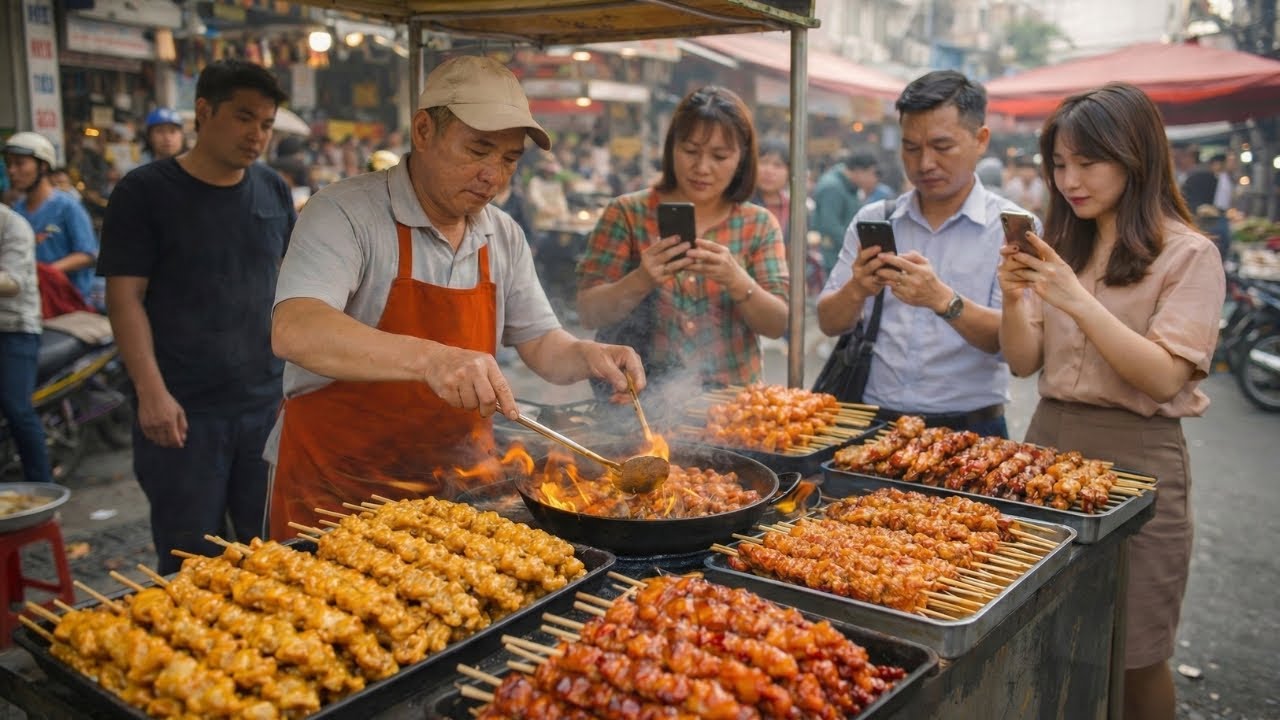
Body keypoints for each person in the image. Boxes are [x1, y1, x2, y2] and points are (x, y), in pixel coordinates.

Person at [265, 54, 642, 539]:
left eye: (509, 159)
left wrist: (589, 354)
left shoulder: (502, 234)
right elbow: (296, 328)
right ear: (424, 131)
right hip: (335, 494)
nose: (494, 175)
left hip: (456, 497)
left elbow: (543, 345)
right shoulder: (344, 213)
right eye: (478, 150)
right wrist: (432, 359)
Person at [998, 82, 1225, 720]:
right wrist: (1015, 298)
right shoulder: (1067, 246)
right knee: (1045, 630)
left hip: (1139, 458)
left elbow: (1161, 377)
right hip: (1045, 448)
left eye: (1087, 162)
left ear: (1136, 158)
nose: (1070, 179)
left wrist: (1074, 297)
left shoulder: (1189, 254)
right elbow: (1022, 361)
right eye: (1059, 164)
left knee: (1137, 649)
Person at [97, 60, 294, 573]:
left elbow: (290, 289)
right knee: (192, 563)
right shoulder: (144, 193)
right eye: (244, 117)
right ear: (203, 112)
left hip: (264, 407)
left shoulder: (272, 189)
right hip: (183, 416)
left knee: (271, 557)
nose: (257, 135)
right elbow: (124, 299)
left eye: (267, 124)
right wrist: (152, 394)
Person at [817, 70, 1037, 438]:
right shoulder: (875, 218)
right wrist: (857, 288)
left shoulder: (1012, 228)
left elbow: (1014, 350)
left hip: (971, 431)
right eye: (911, 147)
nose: (924, 164)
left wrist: (942, 300)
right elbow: (828, 321)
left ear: (980, 140)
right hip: (873, 425)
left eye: (942, 146)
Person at [576, 85, 789, 390]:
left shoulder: (758, 224)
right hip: (640, 399)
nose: (702, 168)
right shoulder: (628, 213)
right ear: (671, 147)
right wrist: (641, 279)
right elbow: (588, 312)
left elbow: (777, 324)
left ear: (741, 158)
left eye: (719, 156)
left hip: (732, 406)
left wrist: (736, 279)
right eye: (690, 151)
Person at [4, 132, 99, 303]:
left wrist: (46, 272)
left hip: (70, 304)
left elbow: (87, 254)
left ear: (43, 166)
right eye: (9, 164)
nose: (12, 171)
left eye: (20, 164)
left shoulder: (68, 207)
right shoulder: (16, 212)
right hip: (33, 304)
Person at [0, 205, 51, 484]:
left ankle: (43, 489)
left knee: (16, 406)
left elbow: (13, 281)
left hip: (16, 327)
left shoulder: (12, 225)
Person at [811, 149, 865, 272]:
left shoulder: (847, 185)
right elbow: (830, 224)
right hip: (833, 256)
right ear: (859, 171)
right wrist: (852, 246)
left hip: (840, 254)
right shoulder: (832, 187)